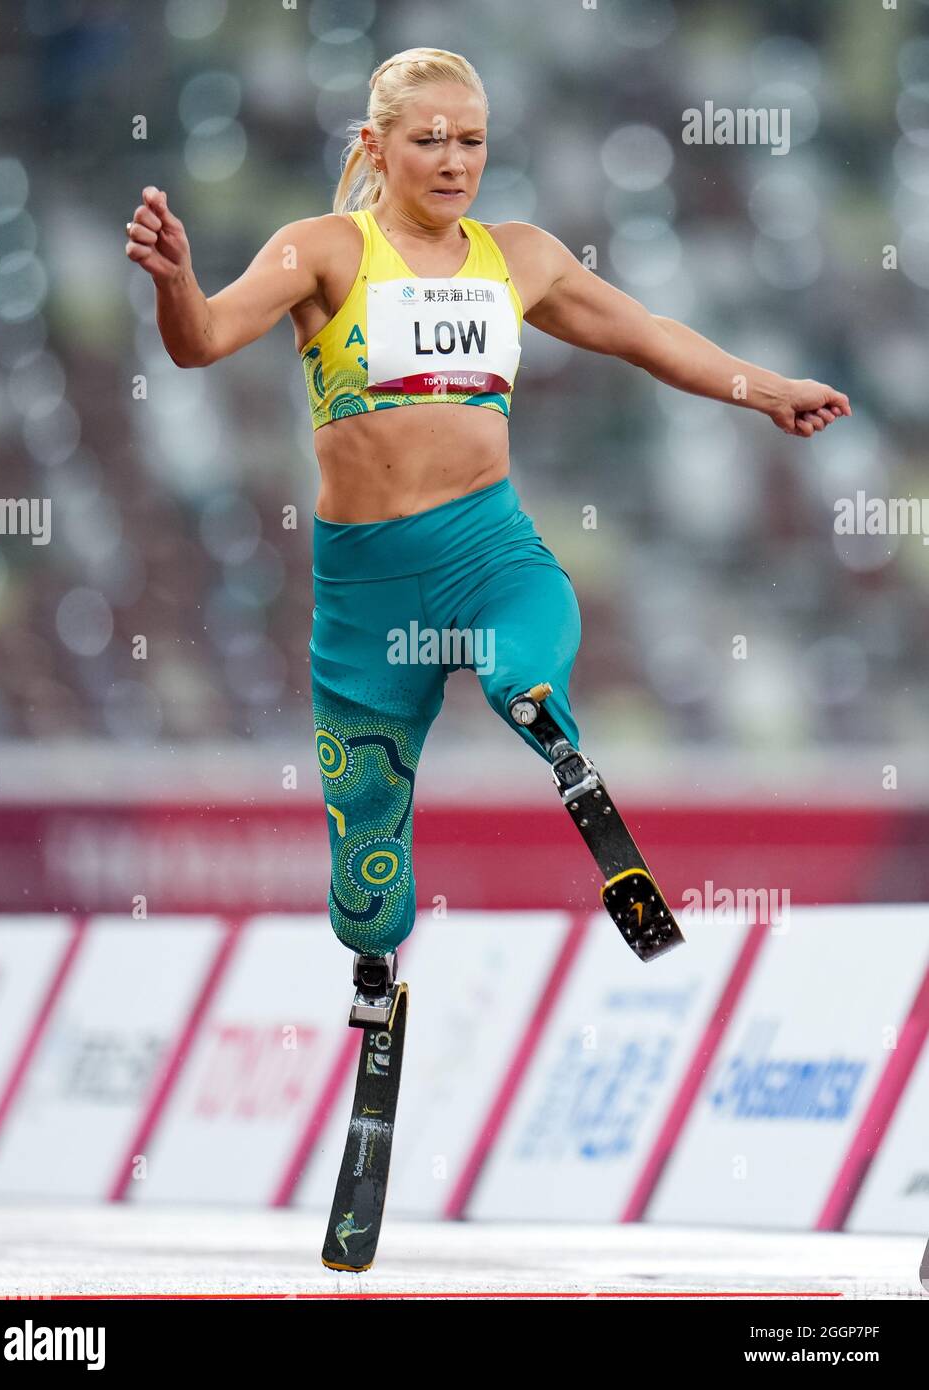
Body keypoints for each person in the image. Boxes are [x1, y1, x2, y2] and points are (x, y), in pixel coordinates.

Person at [126, 46, 850, 1010]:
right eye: (429, 141)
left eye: (470, 141)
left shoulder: (522, 256)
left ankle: (557, 747)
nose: (455, 161)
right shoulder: (322, 251)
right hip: (365, 593)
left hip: (487, 548)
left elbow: (650, 336)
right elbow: (201, 342)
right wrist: (175, 280)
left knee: (526, 663)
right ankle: (375, 977)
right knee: (367, 856)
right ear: (375, 148)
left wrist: (767, 392)